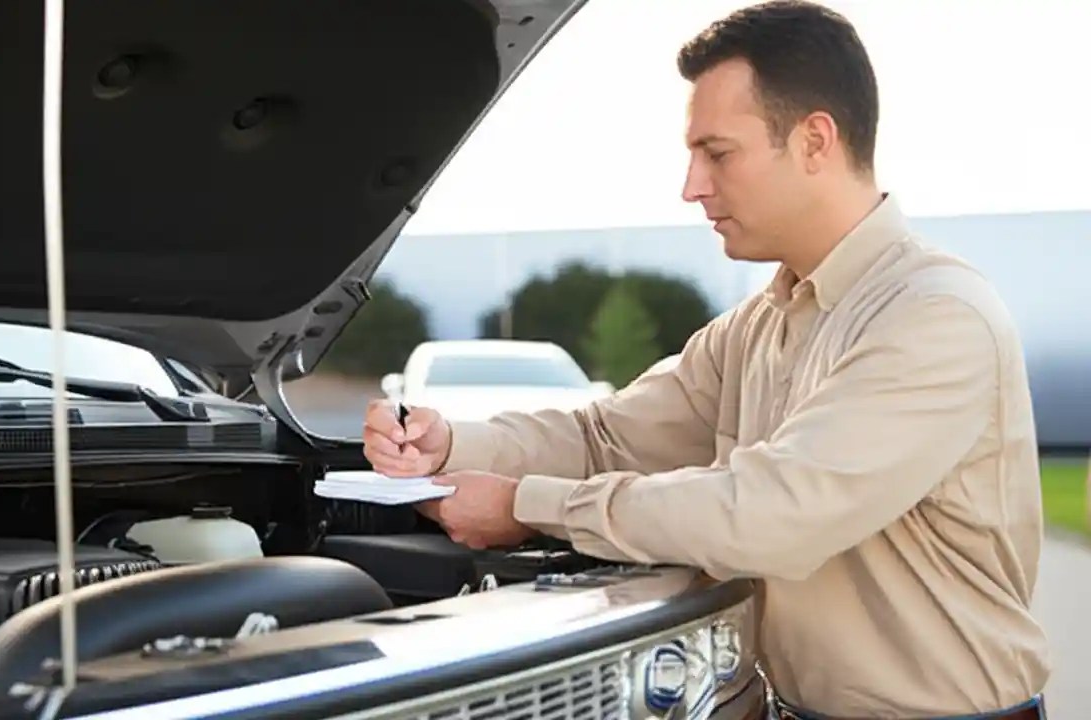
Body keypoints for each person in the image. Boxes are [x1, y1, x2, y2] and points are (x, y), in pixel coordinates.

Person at [361, 1, 1052, 717]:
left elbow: (770, 514)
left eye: (718, 154)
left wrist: (526, 506)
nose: (691, 186)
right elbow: (605, 437)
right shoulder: (757, 327)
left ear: (815, 141)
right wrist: (451, 443)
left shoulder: (934, 316)